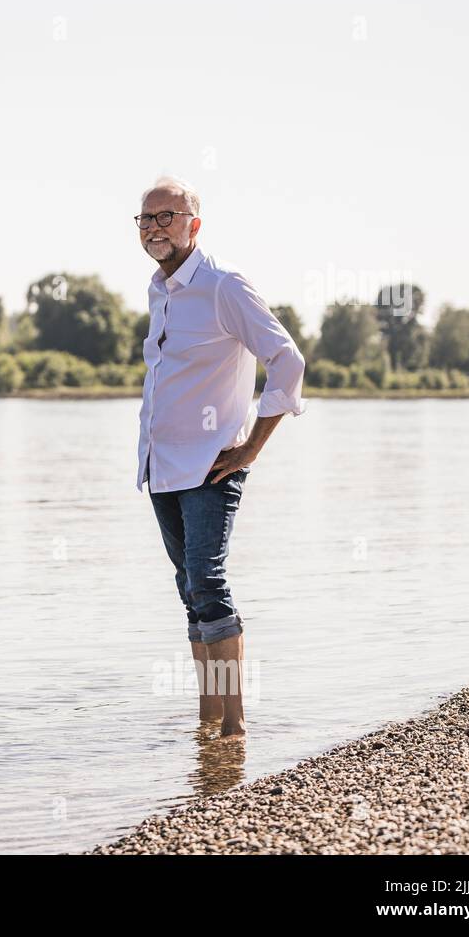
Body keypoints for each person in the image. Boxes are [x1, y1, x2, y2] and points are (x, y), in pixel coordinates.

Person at [134, 176, 306, 737]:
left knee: (208, 582)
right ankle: (207, 726)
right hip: (162, 466)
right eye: (146, 218)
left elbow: (286, 360)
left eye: (167, 216)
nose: (155, 227)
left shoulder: (223, 284)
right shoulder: (159, 290)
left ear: (194, 223)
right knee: (189, 588)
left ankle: (234, 730)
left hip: (212, 463)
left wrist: (253, 445)